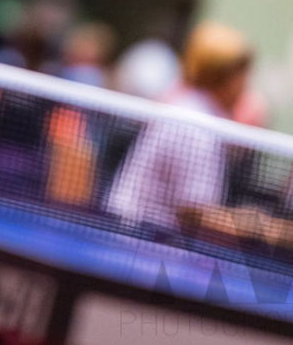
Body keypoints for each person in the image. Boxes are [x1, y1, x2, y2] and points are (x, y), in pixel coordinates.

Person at [105, 21, 254, 234]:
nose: (246, 84)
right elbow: (193, 212)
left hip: (142, 234)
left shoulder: (193, 110)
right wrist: (261, 228)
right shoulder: (196, 126)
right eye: (244, 75)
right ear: (228, 77)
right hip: (140, 240)